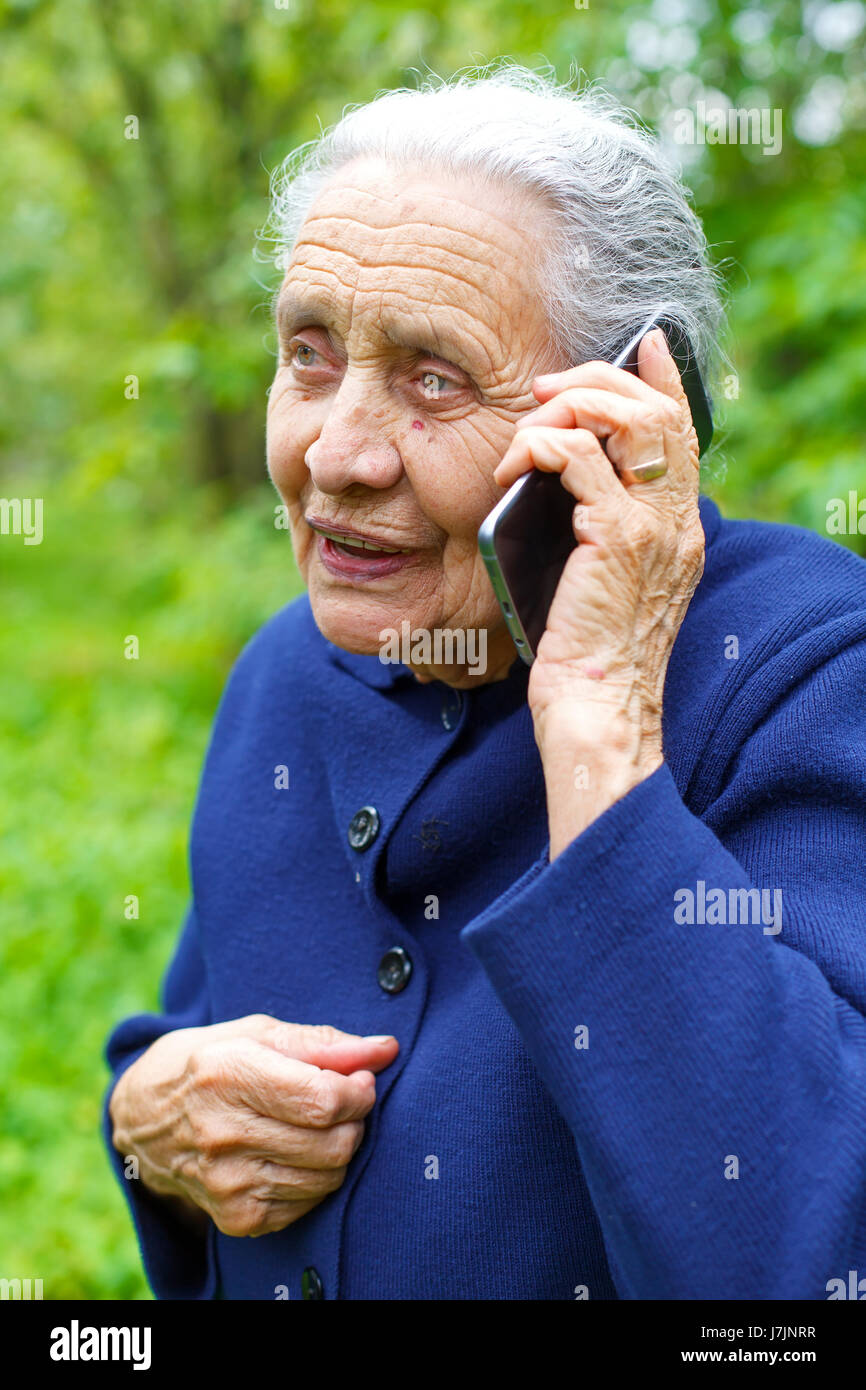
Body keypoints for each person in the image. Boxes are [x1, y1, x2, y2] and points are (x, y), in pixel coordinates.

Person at [103, 66, 866, 1301]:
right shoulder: (287, 675)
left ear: (624, 415)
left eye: (432, 378)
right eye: (307, 355)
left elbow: (806, 1259)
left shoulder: (802, 669)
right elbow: (194, 1034)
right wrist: (146, 1116)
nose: (337, 456)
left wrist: (602, 736)